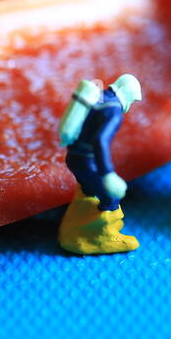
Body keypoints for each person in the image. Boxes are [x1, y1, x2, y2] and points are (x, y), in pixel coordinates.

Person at [57, 73, 143, 254]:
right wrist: (108, 173)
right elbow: (101, 141)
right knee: (111, 196)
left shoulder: (99, 95)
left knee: (89, 191)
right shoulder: (114, 112)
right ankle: (103, 234)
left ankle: (79, 221)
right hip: (85, 160)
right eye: (133, 101)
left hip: (73, 157)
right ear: (128, 95)